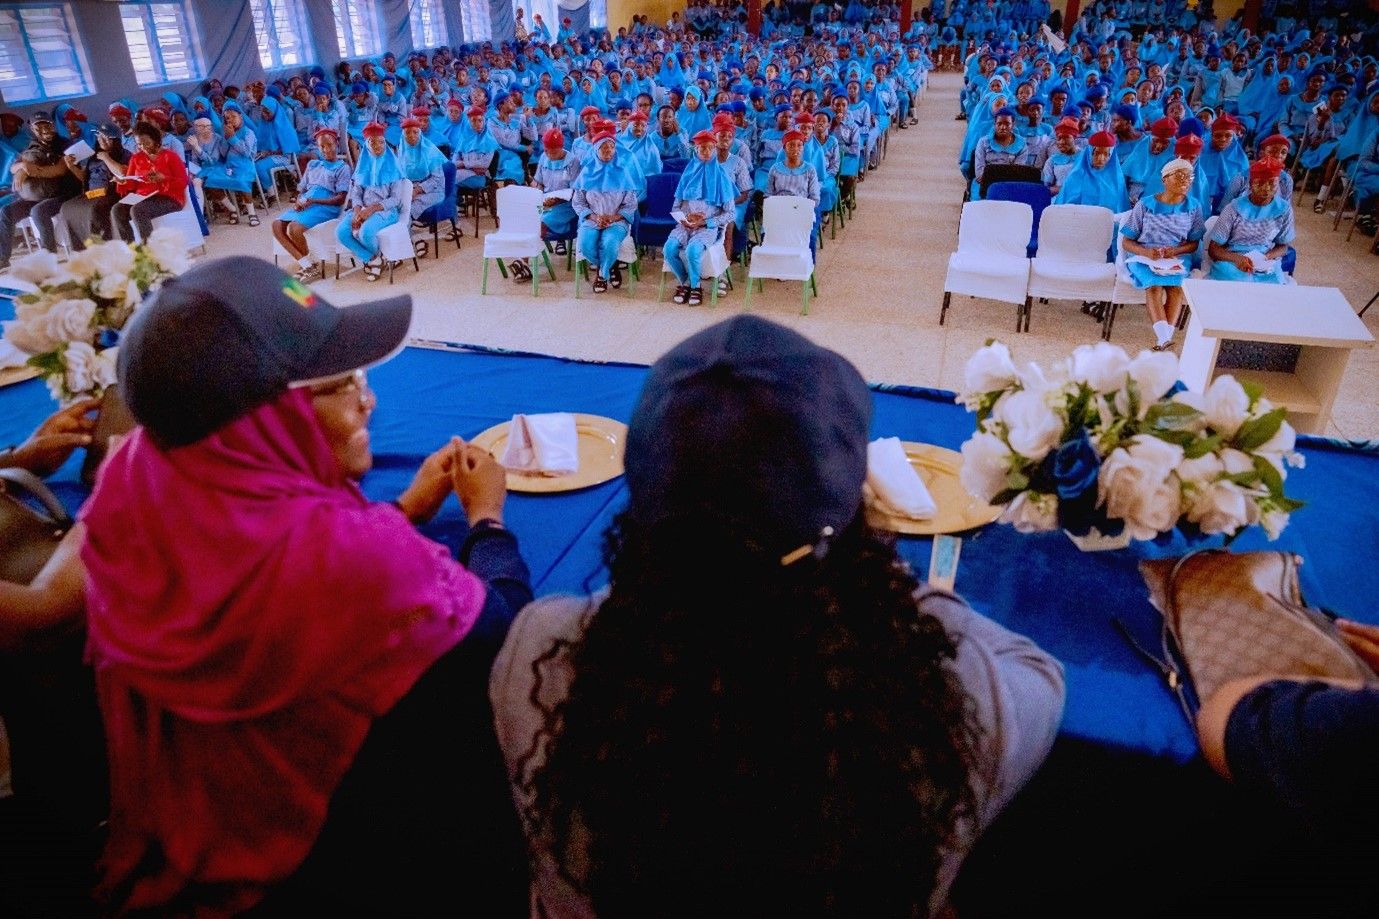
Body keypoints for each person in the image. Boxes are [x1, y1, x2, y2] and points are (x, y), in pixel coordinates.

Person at [490, 315, 1064, 918]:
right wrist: (900, 592)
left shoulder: (540, 650)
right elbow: (1040, 675)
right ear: (849, 516)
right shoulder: (949, 696)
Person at [81, 256, 532, 915]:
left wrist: (403, 509)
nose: (369, 399)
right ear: (270, 415)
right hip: (329, 860)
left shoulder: (128, 482)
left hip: (190, 828)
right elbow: (504, 639)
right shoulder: (346, 558)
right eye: (346, 382)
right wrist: (487, 518)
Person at [1119, 157, 1207, 351]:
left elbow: (1193, 243)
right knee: (1154, 286)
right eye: (1179, 176)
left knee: (1176, 287)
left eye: (1189, 177)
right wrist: (1147, 252)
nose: (1185, 180)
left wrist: (1175, 250)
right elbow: (1127, 241)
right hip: (1145, 255)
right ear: (1165, 179)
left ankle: (1163, 340)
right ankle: (1164, 338)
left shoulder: (1194, 207)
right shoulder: (1145, 205)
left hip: (1175, 256)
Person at [0, 111, 78, 270]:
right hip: (38, 194)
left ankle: (49, 257)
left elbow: (59, 170)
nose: (44, 129)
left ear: (53, 125)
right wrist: (22, 167)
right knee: (6, 212)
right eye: (39, 126)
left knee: (38, 211)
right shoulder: (33, 144)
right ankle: (2, 258)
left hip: (62, 193)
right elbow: (14, 166)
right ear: (32, 129)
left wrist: (32, 170)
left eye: (47, 125)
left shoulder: (64, 144)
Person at [664, 130, 734, 306]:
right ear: (695, 149)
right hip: (685, 225)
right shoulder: (687, 175)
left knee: (693, 251)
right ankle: (685, 282)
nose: (706, 152)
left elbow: (730, 213)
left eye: (711, 148)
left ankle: (696, 287)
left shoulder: (721, 177)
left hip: (708, 227)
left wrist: (706, 221)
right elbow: (675, 207)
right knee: (669, 249)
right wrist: (686, 217)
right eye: (702, 148)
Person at [273, 128, 351, 283]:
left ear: (336, 144)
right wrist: (298, 201)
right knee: (276, 225)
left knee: (294, 228)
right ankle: (307, 265)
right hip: (307, 203)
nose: (326, 149)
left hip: (326, 206)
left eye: (329, 145)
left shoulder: (343, 167)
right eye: (322, 146)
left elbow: (340, 199)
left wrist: (314, 201)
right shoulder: (313, 165)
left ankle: (309, 268)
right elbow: (302, 190)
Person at [572, 124, 638, 294]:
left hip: (617, 221)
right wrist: (593, 217)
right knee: (585, 244)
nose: (608, 150)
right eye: (604, 147)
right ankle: (610, 266)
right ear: (595, 150)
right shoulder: (586, 172)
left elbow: (630, 204)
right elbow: (578, 202)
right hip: (592, 220)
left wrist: (613, 218)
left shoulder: (623, 172)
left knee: (609, 243)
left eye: (611, 146)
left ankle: (601, 275)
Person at [1207, 159, 1295, 284]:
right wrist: (1237, 258)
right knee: (1239, 279)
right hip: (1233, 259)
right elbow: (1214, 249)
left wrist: (1266, 257)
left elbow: (1283, 246)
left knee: (1275, 281)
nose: (1266, 188)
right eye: (1260, 183)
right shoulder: (1234, 208)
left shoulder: (1284, 209)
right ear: (1250, 183)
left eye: (1272, 183)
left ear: (1278, 184)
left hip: (1263, 260)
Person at [337, 122, 404, 282]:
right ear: (366, 144)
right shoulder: (363, 164)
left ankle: (376, 259)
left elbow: (395, 199)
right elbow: (357, 192)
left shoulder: (393, 165)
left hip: (385, 211)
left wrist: (372, 209)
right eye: (372, 142)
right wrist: (357, 211)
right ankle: (374, 259)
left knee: (365, 232)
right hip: (363, 208)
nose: (377, 146)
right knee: (341, 232)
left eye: (381, 142)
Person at [111, 123, 189, 243]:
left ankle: (150, 251)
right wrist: (122, 181)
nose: (143, 147)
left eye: (147, 143)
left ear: (155, 140)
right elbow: (131, 184)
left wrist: (164, 178)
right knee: (117, 210)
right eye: (139, 145)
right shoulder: (136, 158)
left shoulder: (170, 156)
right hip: (144, 197)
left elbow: (183, 182)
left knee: (137, 210)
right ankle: (130, 249)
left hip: (169, 197)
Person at [58, 122, 126, 251]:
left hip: (111, 193)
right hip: (92, 193)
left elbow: (122, 173)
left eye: (106, 138)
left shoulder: (124, 154)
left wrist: (106, 158)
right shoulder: (94, 156)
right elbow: (84, 177)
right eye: (100, 137)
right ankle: (80, 249)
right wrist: (71, 167)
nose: (101, 140)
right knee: (67, 207)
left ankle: (102, 248)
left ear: (116, 140)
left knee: (94, 210)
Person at [195, 102, 259, 226]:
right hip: (229, 166)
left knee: (241, 181)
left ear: (240, 116)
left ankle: (252, 213)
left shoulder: (248, 132)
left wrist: (233, 138)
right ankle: (232, 209)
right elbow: (223, 153)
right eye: (227, 118)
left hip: (245, 166)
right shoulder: (226, 132)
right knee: (211, 182)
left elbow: (247, 153)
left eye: (233, 117)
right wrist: (226, 137)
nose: (231, 120)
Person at [1053, 130, 1129, 211]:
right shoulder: (1076, 176)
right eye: (1096, 153)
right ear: (1089, 153)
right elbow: (1065, 207)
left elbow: (1121, 208)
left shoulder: (1117, 179)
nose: (1101, 158)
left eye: (1106, 154)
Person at [396, 115, 447, 221]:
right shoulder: (402, 150)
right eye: (407, 133)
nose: (411, 136)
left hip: (433, 191)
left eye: (415, 132)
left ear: (420, 133)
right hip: (411, 189)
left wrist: (416, 191)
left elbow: (437, 179)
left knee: (406, 210)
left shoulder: (430, 152)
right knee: (393, 206)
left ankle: (406, 236)